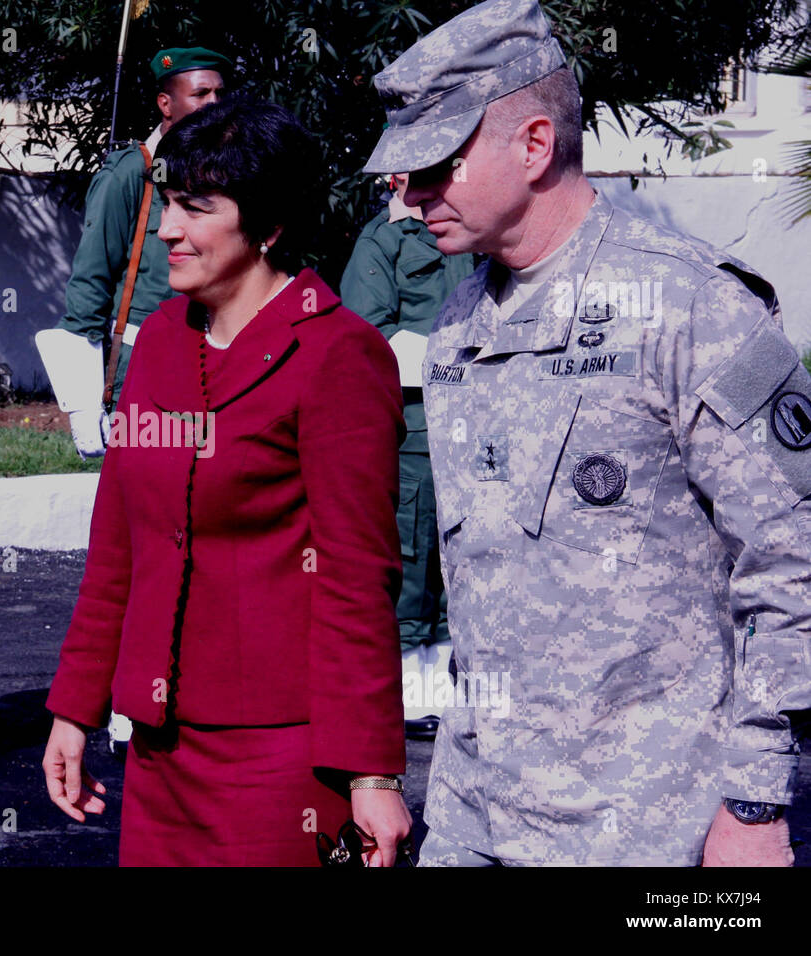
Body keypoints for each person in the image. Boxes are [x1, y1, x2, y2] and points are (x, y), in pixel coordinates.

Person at [365, 0, 811, 865]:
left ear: (534, 145)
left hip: (648, 827)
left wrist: (755, 802)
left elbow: (795, 557)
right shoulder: (461, 326)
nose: (411, 198)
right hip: (475, 811)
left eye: (436, 166)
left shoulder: (693, 308)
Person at [42, 98, 411, 866]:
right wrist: (74, 710)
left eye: (195, 209)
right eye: (168, 204)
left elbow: (357, 576)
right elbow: (118, 545)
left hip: (284, 764)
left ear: (269, 225)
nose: (169, 229)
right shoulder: (160, 345)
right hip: (157, 753)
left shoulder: (339, 354)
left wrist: (371, 769)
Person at [39, 45, 232, 758]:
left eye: (220, 93)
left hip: (215, 365)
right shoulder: (133, 176)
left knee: (205, 530)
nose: (213, 106)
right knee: (142, 538)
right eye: (199, 94)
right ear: (165, 102)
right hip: (143, 372)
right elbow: (90, 283)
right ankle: (127, 696)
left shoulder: (220, 172)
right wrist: (83, 397)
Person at [340, 174, 475, 740]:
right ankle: (408, 689)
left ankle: (445, 681)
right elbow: (366, 337)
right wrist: (457, 356)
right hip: (414, 426)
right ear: (397, 177)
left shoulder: (470, 231)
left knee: (458, 558)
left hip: (472, 423)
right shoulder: (381, 242)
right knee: (414, 554)